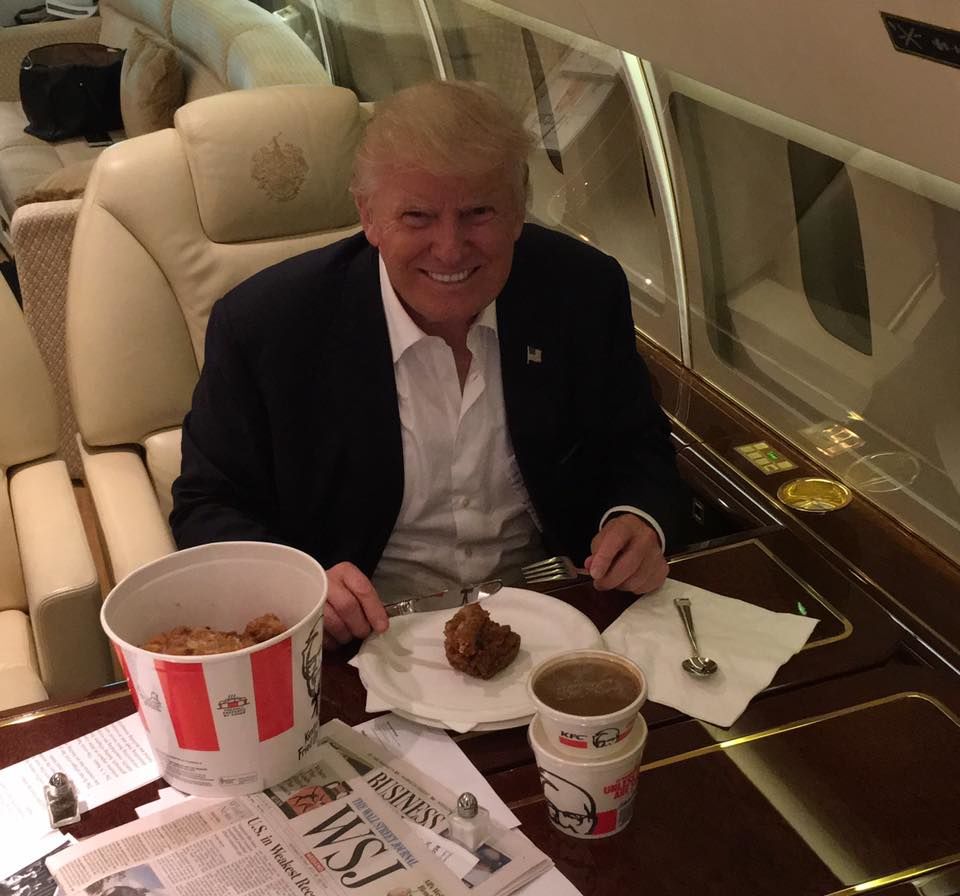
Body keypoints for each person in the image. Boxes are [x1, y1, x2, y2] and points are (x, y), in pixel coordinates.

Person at [170, 80, 689, 648]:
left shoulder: (581, 291)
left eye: (478, 212)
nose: (449, 248)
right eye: (417, 216)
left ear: (518, 209)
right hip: (361, 638)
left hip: (554, 618)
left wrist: (640, 520)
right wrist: (299, 586)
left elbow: (639, 445)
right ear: (368, 217)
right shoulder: (265, 325)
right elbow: (207, 506)